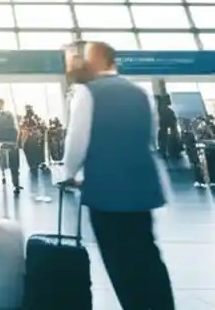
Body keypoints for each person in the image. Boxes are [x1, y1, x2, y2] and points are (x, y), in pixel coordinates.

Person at [56, 41, 175, 310]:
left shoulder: (88, 93)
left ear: (98, 58)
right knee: (147, 256)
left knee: (120, 263)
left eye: (85, 57)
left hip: (107, 191)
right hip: (142, 190)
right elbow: (149, 136)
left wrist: (68, 173)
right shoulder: (139, 92)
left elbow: (77, 141)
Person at [0, 99, 21, 194]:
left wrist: (15, 140)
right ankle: (4, 175)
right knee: (3, 161)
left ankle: (15, 183)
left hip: (9, 140)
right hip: (1, 141)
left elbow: (14, 128)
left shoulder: (9, 114)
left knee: (14, 163)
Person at [20, 104, 45, 173]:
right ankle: (34, 164)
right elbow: (22, 127)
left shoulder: (35, 117)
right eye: (27, 108)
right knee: (31, 151)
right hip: (29, 137)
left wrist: (34, 129)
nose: (28, 110)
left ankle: (36, 163)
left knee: (35, 150)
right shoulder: (25, 118)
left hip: (33, 136)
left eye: (29, 108)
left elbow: (41, 124)